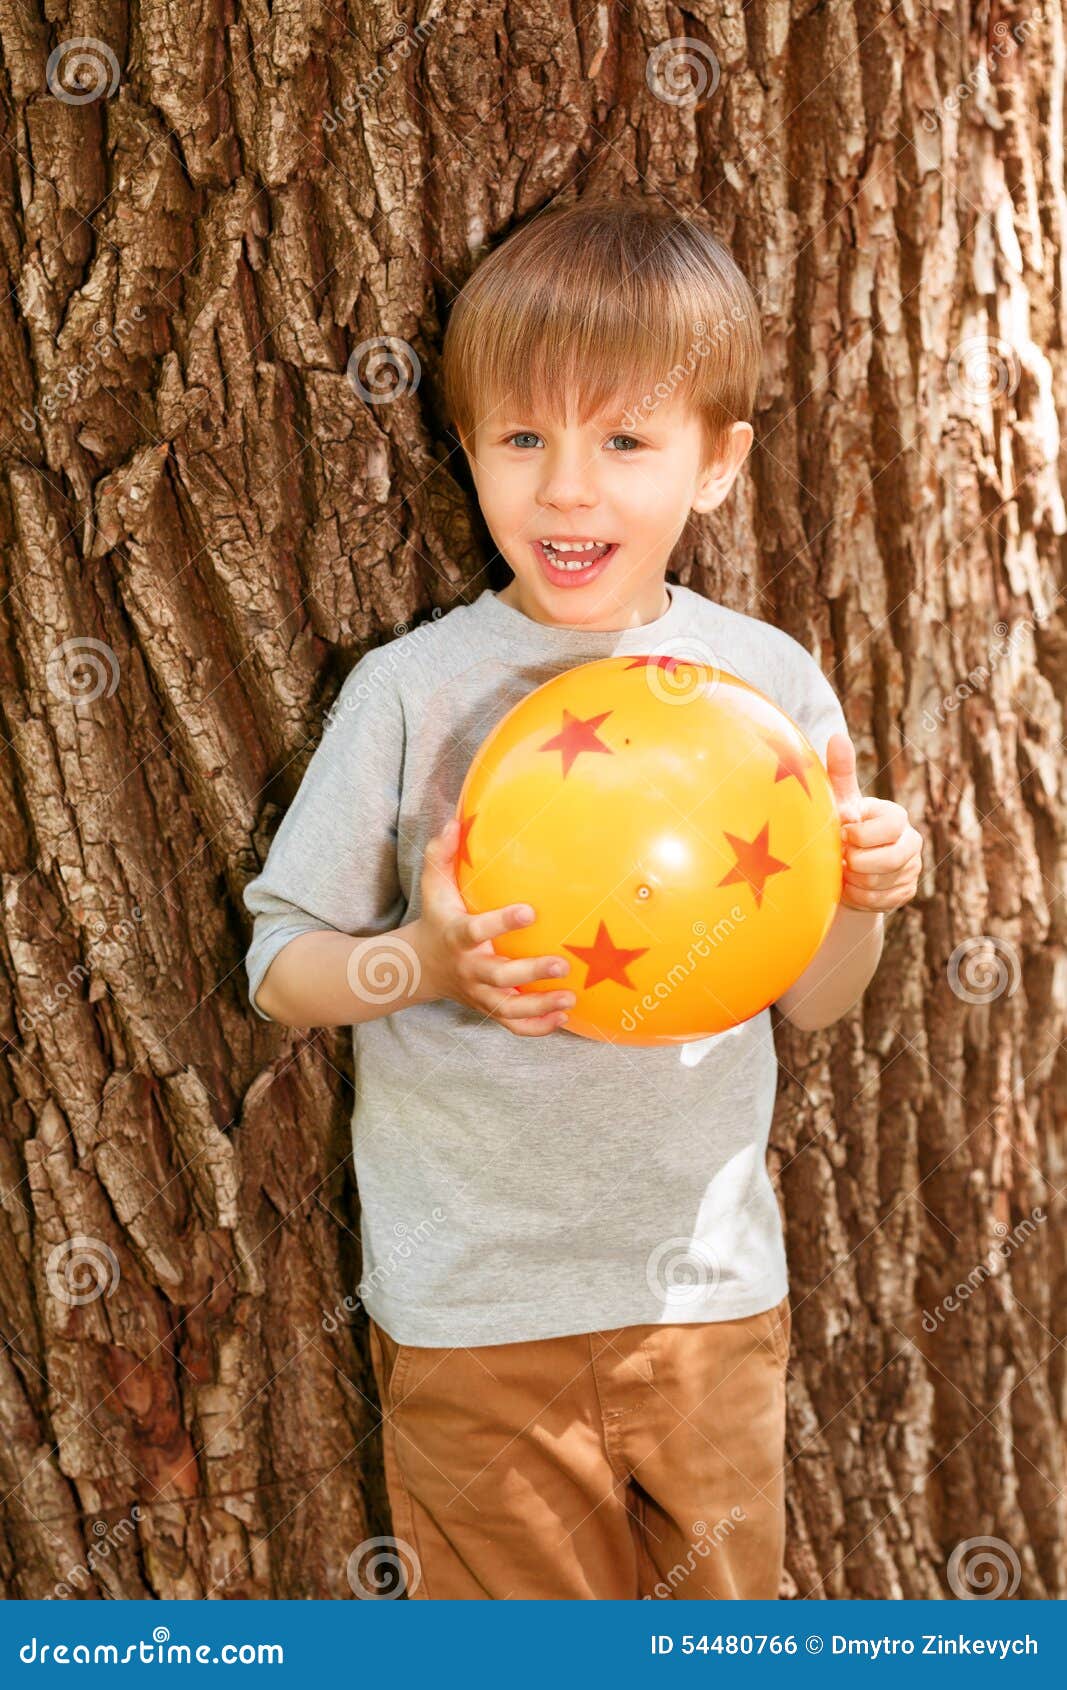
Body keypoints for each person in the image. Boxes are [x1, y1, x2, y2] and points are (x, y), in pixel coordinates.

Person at [242, 198, 923, 1600]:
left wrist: (859, 892)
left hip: (708, 1305)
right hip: (474, 1318)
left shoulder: (768, 690)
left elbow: (819, 995)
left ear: (718, 464)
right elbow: (280, 965)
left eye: (624, 440)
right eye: (523, 438)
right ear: (471, 452)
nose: (567, 490)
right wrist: (423, 964)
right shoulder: (413, 693)